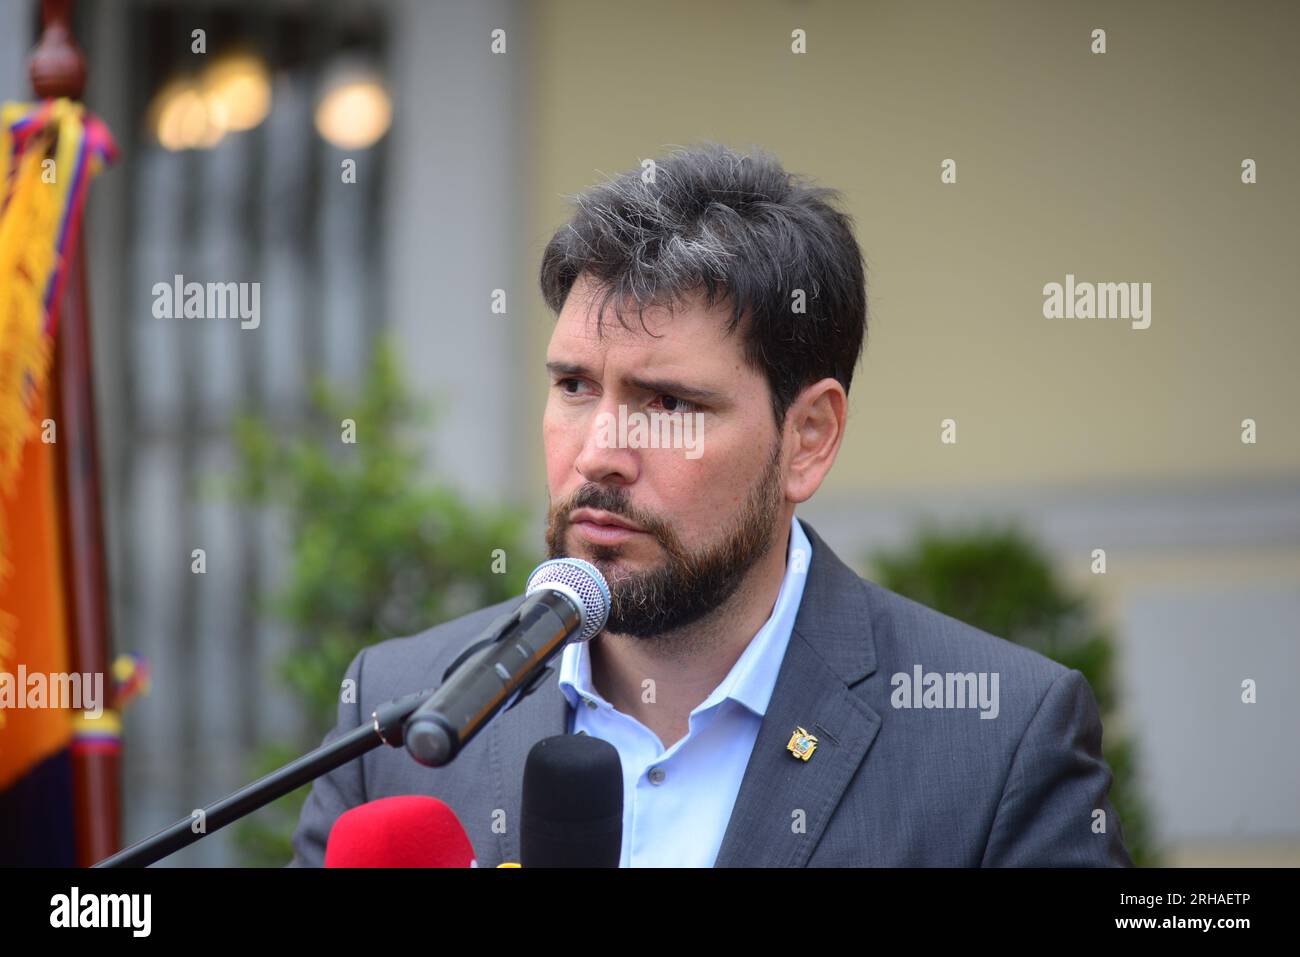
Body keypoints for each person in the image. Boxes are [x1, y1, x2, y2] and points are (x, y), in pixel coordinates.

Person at [290, 143, 1131, 867]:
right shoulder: (402, 715)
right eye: (576, 386)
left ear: (806, 437)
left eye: (668, 404)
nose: (598, 453)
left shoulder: (996, 738)